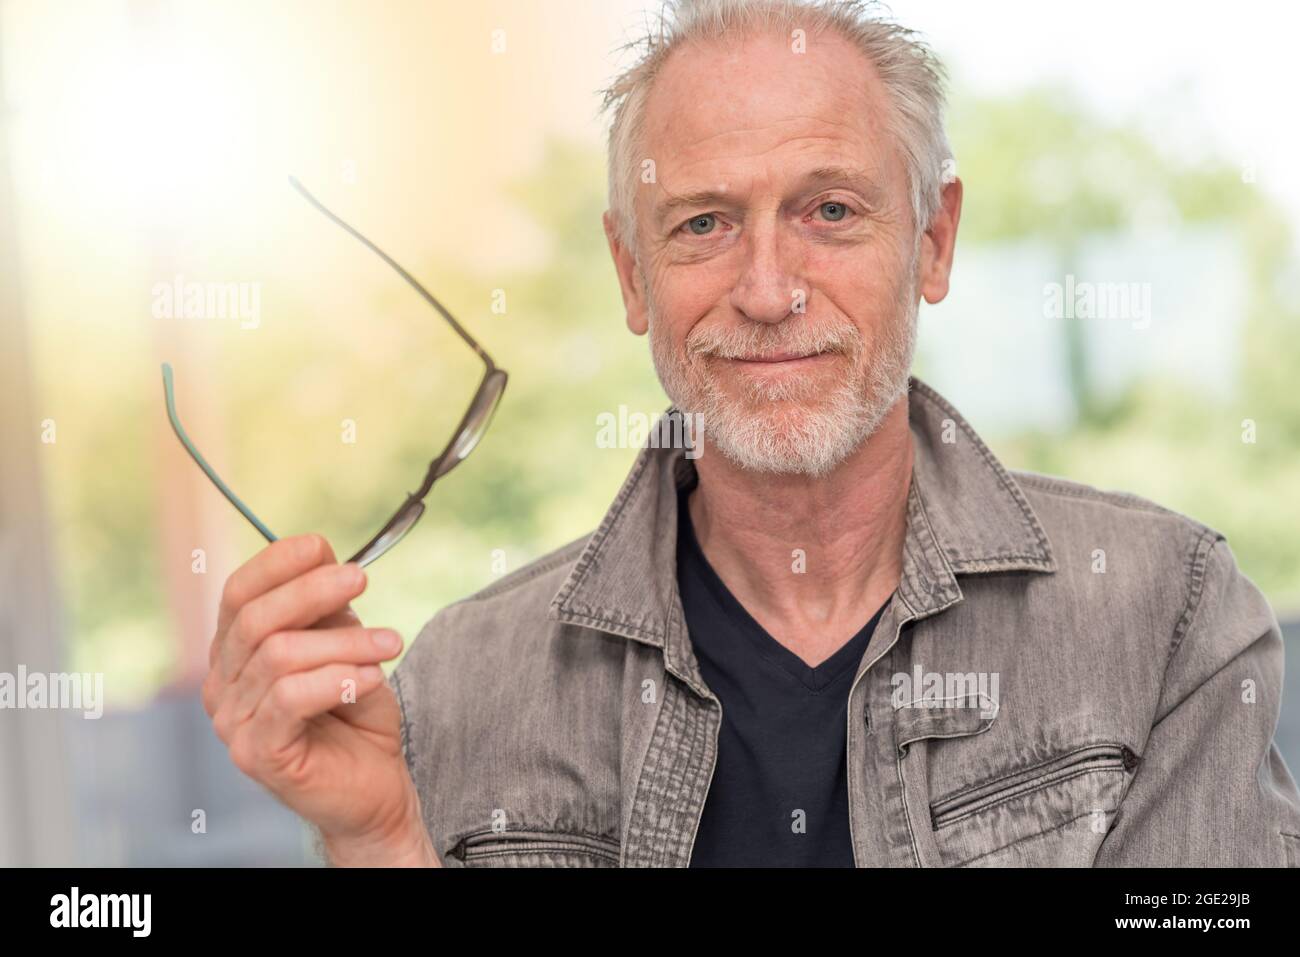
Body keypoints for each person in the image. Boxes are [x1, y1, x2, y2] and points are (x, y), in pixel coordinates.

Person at [201, 0, 1300, 867]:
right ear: (634, 275)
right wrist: (377, 840)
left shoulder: (1168, 617)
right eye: (703, 224)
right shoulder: (455, 691)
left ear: (932, 241)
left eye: (829, 210)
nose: (768, 291)